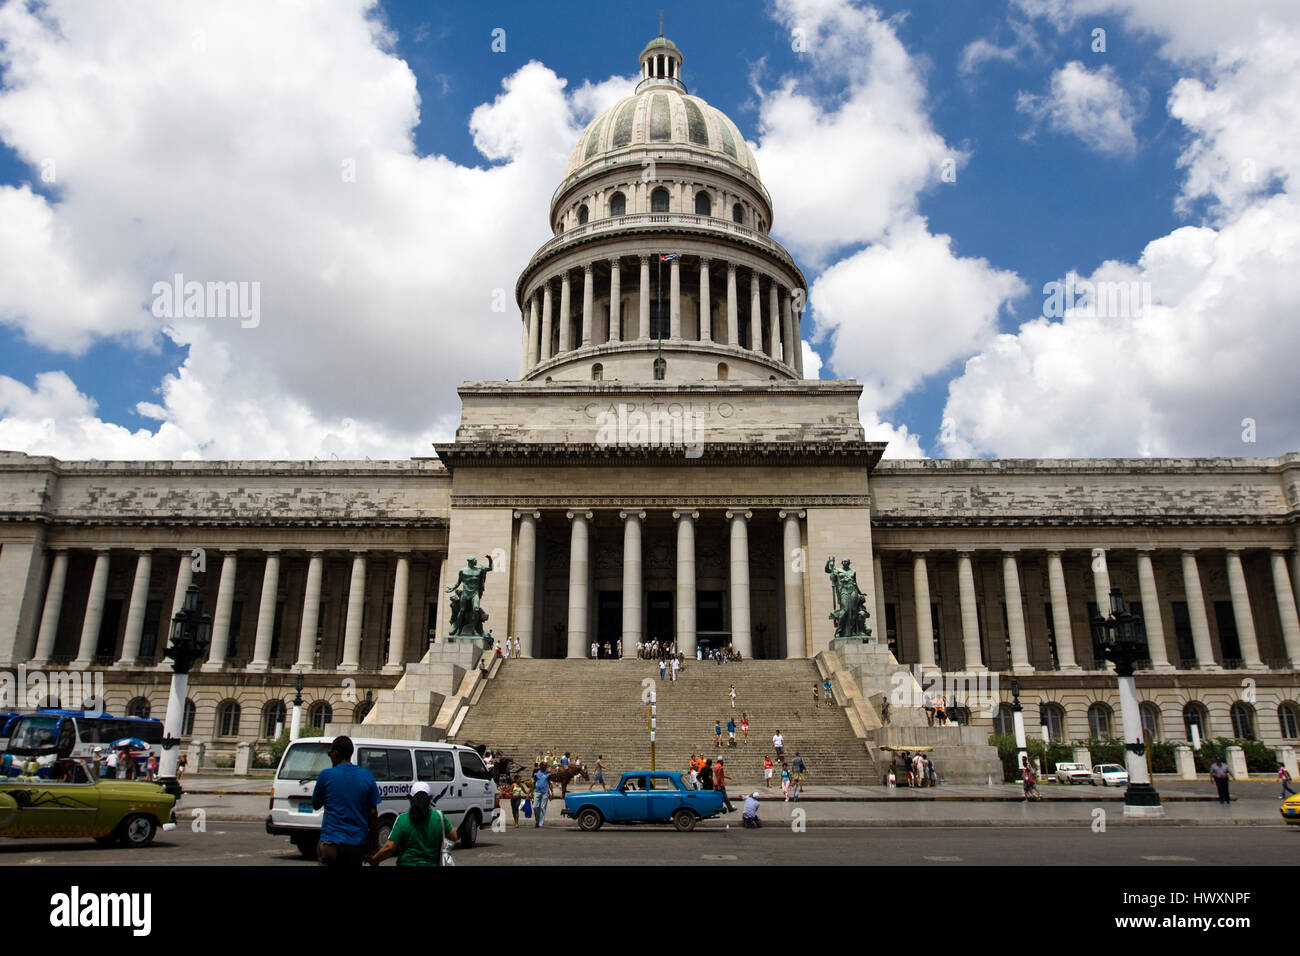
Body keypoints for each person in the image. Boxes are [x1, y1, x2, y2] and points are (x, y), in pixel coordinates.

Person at [311, 736, 380, 866]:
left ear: (336, 753)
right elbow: (373, 813)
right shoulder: (367, 776)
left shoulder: (326, 775)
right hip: (357, 844)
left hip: (331, 842)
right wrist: (375, 846)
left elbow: (315, 804)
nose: (330, 757)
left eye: (330, 754)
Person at [366, 782, 456, 866]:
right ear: (429, 800)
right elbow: (454, 837)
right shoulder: (439, 817)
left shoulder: (402, 819)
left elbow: (390, 847)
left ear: (411, 799)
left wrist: (375, 859)